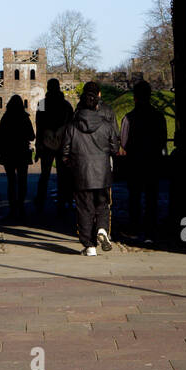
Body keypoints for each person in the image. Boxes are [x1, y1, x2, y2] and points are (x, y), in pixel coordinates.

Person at [60, 80, 119, 256]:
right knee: (103, 204)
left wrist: (71, 163)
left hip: (81, 172)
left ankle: (89, 245)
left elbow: (65, 150)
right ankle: (102, 229)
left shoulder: (72, 125)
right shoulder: (106, 125)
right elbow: (115, 148)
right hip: (102, 172)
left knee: (84, 208)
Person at [120, 80, 167, 245]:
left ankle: (134, 229)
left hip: (135, 162)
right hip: (152, 161)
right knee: (151, 198)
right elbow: (162, 140)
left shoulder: (128, 118)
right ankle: (150, 231)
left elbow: (124, 142)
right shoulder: (159, 117)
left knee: (134, 197)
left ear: (135, 98)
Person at [34, 78, 74, 216]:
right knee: (63, 176)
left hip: (46, 144)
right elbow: (71, 127)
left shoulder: (42, 104)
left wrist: (38, 146)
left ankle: (40, 203)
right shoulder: (66, 105)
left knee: (44, 175)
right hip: (63, 144)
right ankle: (63, 203)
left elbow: (39, 127)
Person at [0, 94, 34, 222]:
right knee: (22, 181)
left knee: (11, 182)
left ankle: (13, 209)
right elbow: (32, 135)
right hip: (22, 152)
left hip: (9, 153)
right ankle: (21, 207)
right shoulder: (24, 117)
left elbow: (0, 135)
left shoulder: (6, 118)